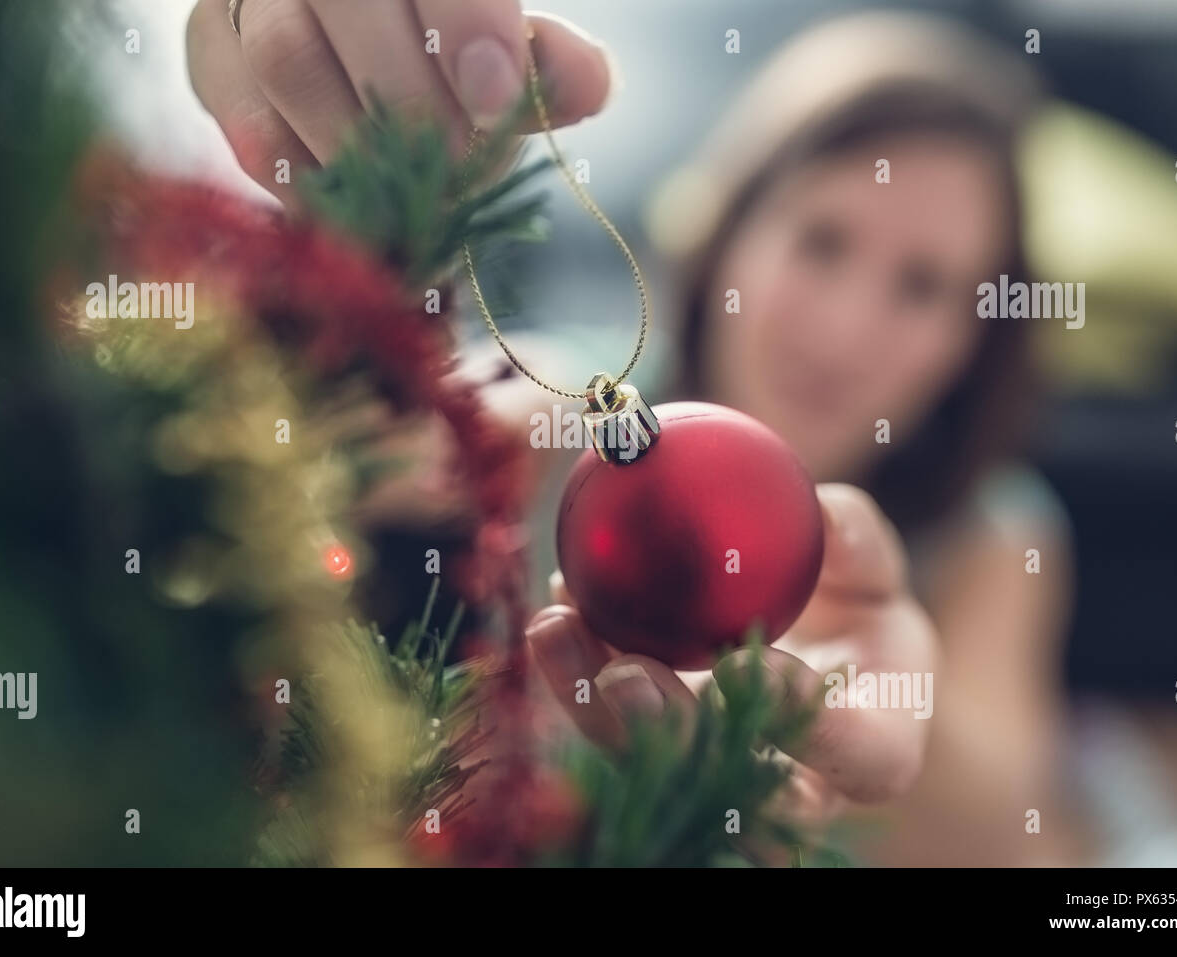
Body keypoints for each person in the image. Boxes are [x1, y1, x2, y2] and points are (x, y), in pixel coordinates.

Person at [186, 2, 1073, 864]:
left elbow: (1010, 822)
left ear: (976, 334)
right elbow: (312, 455)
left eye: (922, 285)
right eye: (822, 240)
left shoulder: (997, 530)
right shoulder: (565, 423)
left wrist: (861, 708)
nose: (845, 327)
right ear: (732, 231)